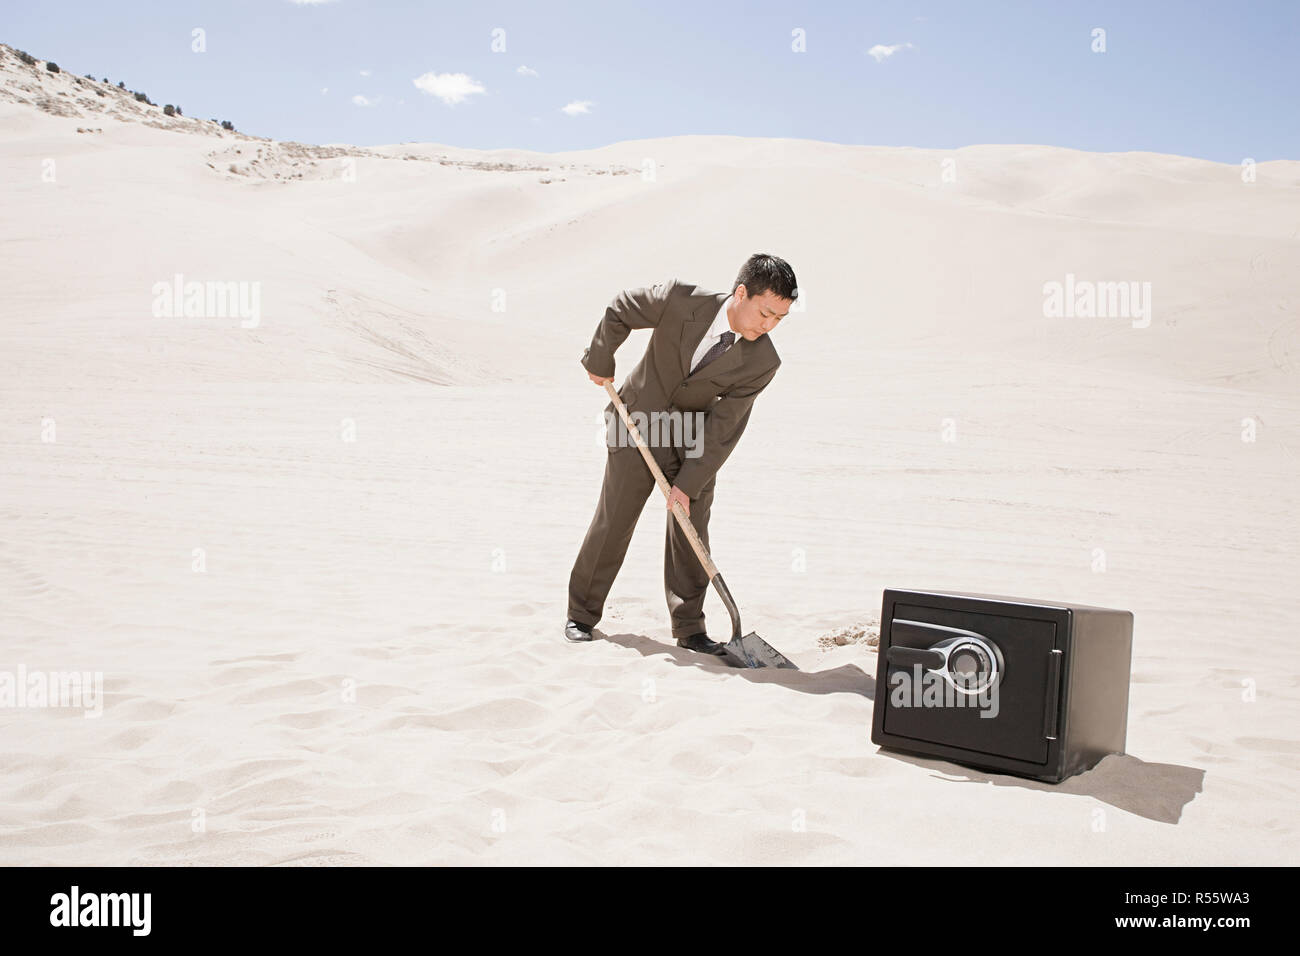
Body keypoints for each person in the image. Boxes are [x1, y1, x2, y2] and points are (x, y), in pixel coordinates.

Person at [564, 253, 798, 656]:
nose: (769, 325)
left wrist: (688, 485)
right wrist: (601, 357)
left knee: (692, 528)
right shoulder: (681, 299)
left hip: (692, 439)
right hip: (634, 422)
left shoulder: (763, 361)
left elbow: (725, 426)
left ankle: (690, 628)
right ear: (741, 293)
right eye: (765, 313)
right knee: (615, 519)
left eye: (779, 318)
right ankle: (581, 615)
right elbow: (622, 308)